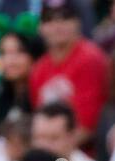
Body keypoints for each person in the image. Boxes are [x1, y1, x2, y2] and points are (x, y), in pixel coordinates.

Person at [31, 0, 110, 144]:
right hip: (50, 150)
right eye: (49, 19)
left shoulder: (90, 58)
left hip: (83, 153)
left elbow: (88, 126)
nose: (57, 26)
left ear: (78, 23)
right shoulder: (39, 68)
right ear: (41, 27)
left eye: (65, 18)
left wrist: (50, 153)